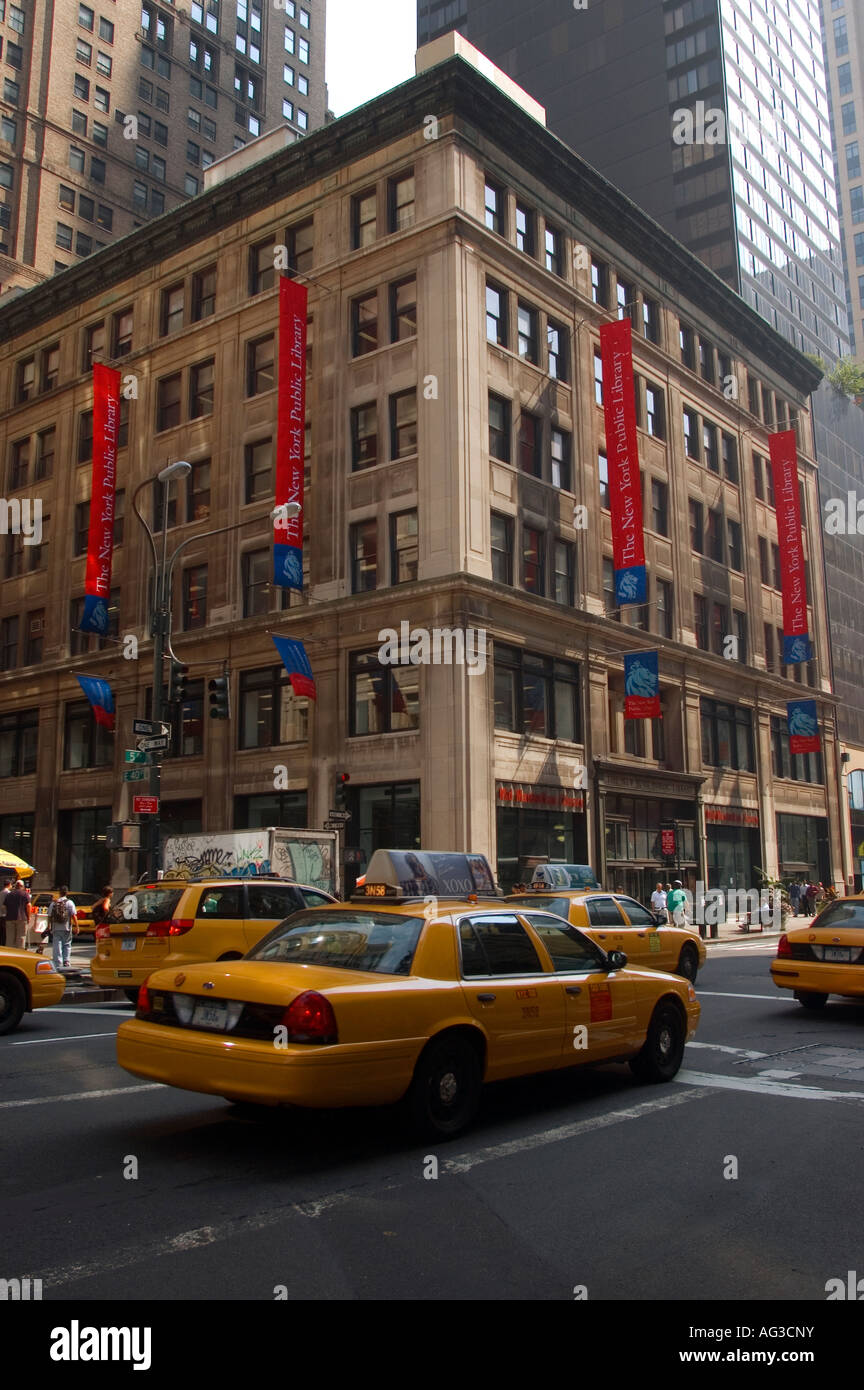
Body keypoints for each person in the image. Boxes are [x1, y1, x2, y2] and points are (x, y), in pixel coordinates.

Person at [50, 888, 78, 971]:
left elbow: (49, 916)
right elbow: (73, 915)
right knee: (67, 944)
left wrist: (49, 926)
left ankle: (57, 962)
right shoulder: (70, 902)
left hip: (56, 927)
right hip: (67, 927)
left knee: (56, 944)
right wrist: (77, 926)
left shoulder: (54, 903)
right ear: (67, 893)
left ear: (59, 893)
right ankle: (66, 961)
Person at [3, 878, 30, 950]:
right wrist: (28, 917)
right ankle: (20, 954)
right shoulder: (25, 894)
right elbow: (28, 906)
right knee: (21, 938)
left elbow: (4, 906)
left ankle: (9, 954)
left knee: (9, 938)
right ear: (22, 886)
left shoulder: (9, 894)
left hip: (9, 918)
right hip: (22, 918)